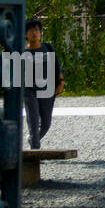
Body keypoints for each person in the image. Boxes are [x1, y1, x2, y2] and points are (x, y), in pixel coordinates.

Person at [22, 17, 64, 150]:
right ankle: (35, 151)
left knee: (46, 124)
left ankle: (33, 139)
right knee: (33, 121)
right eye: (31, 30)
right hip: (30, 90)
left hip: (47, 89)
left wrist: (61, 82)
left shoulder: (48, 47)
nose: (34, 33)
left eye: (37, 30)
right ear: (25, 34)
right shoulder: (22, 52)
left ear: (40, 32)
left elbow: (56, 66)